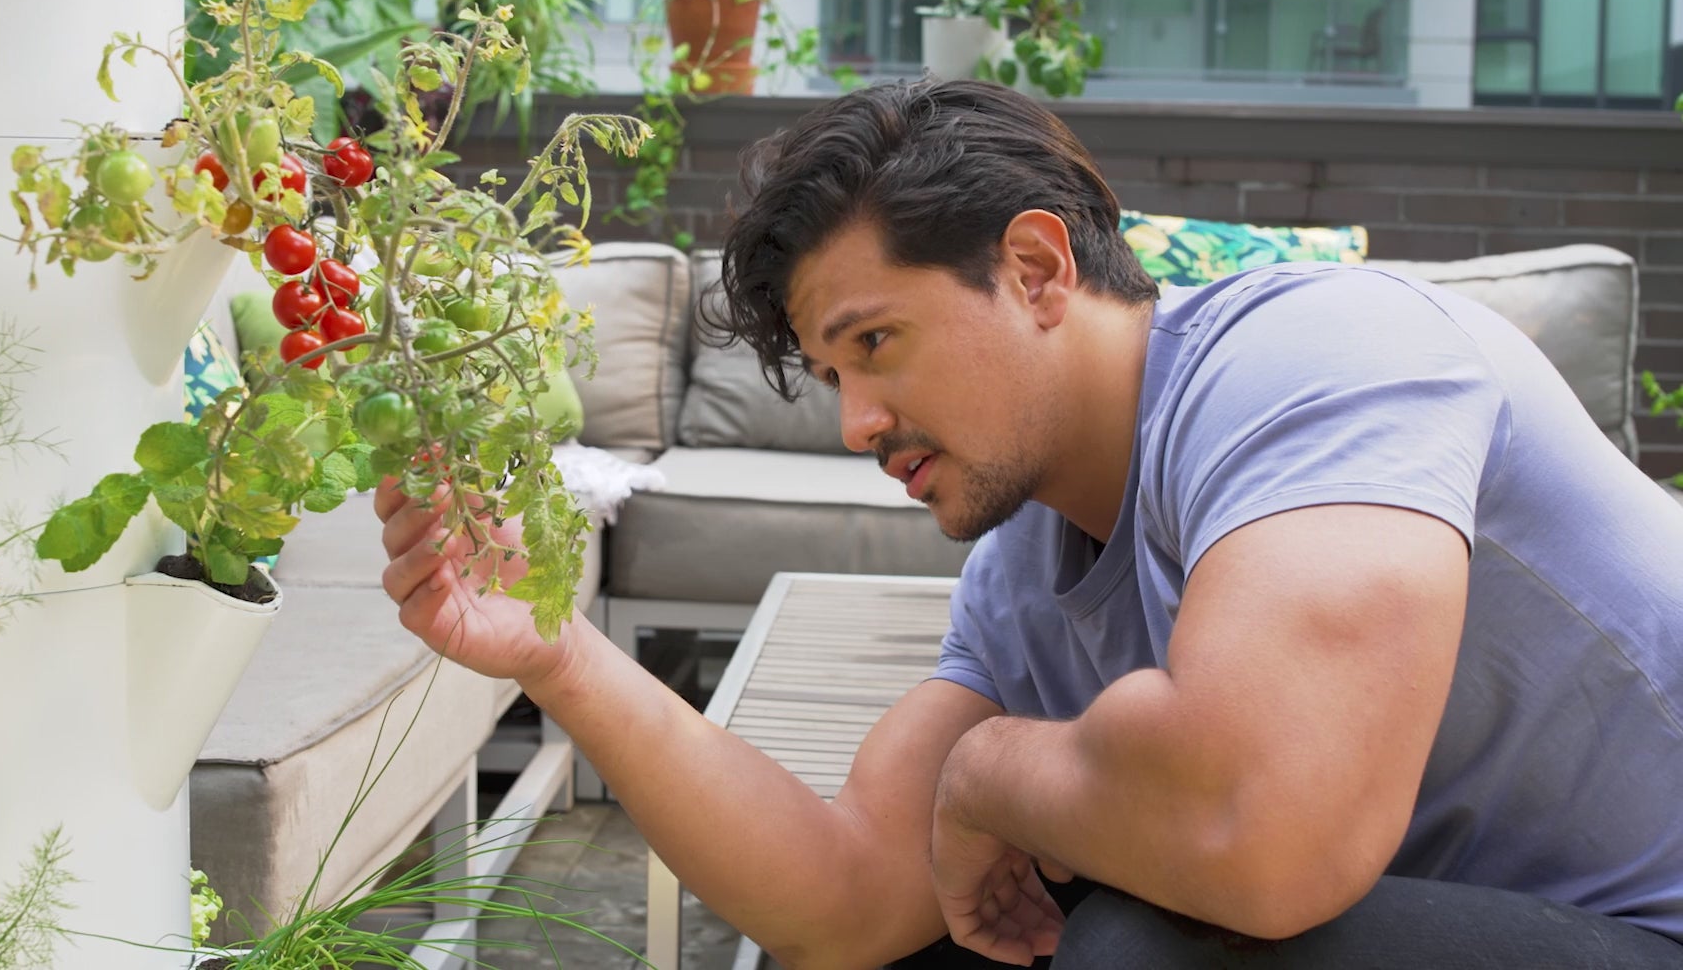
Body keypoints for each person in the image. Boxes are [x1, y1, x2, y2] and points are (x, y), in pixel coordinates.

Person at [374, 79, 1683, 968]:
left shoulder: (1314, 359)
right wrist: (559, 653)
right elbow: (843, 900)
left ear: (1039, 268)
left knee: (1133, 940)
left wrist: (991, 775)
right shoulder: (1027, 566)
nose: (856, 421)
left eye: (876, 344)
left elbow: (1269, 836)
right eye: (835, 375)